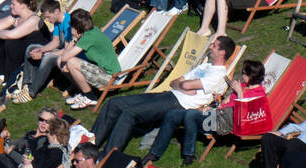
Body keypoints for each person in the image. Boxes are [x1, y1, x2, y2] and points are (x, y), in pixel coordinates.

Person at [92, 35, 236, 159]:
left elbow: (183, 84)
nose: (210, 47)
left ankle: (108, 157)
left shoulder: (218, 75)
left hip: (178, 104)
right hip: (168, 94)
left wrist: (183, 85)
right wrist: (183, 86)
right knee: (114, 103)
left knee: (129, 114)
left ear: (222, 52)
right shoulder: (205, 66)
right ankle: (90, 145)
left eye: (214, 46)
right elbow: (175, 82)